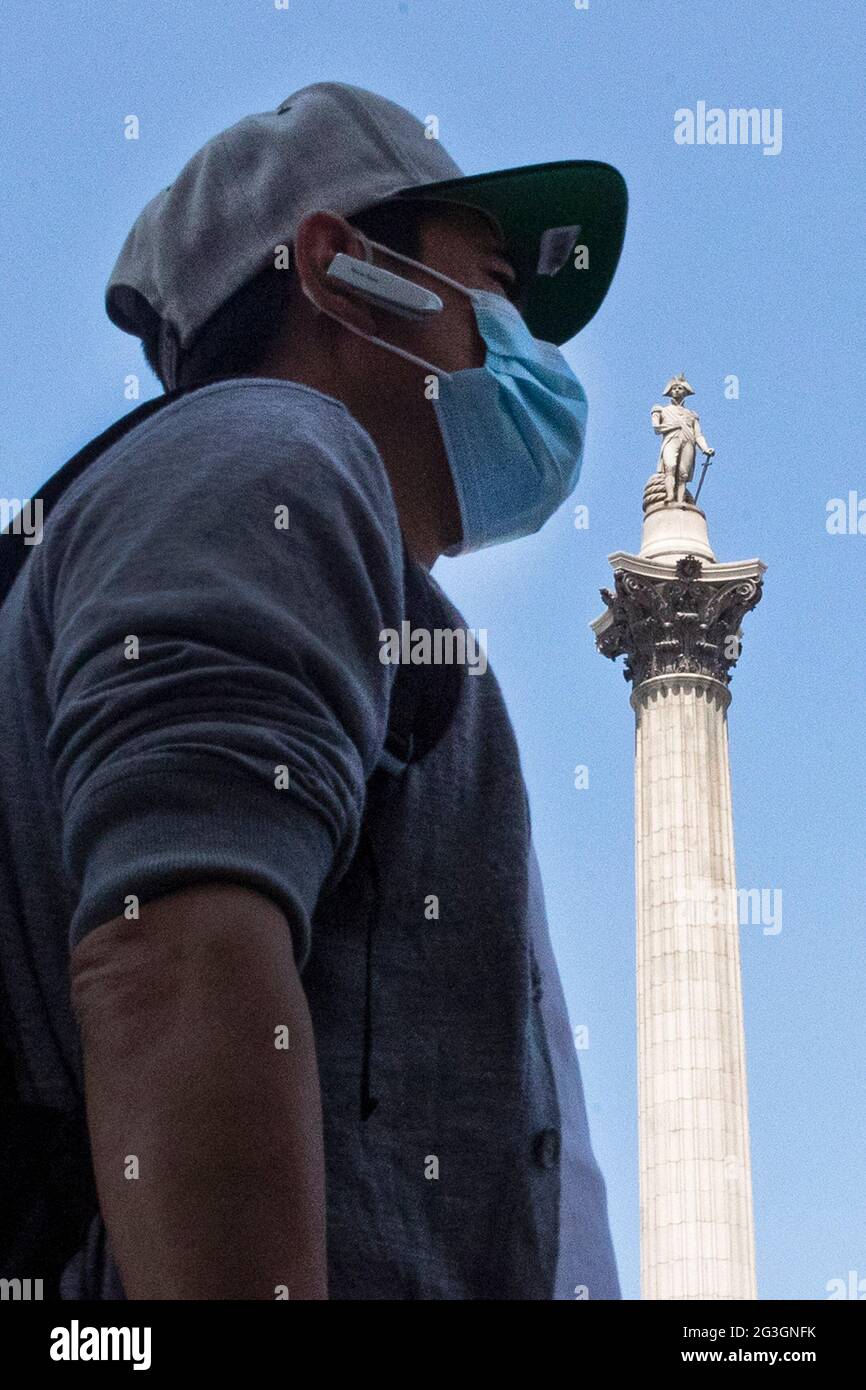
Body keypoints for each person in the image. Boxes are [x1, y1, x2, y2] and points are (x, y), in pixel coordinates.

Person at [0, 81, 627, 1299]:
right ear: (342, 271)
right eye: (494, 286)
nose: (533, 351)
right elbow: (171, 967)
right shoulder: (277, 458)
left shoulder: (332, 554)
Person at [651, 375, 715, 504]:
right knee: (670, 466)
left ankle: (680, 501)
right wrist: (673, 425)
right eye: (674, 388)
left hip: (688, 441)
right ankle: (669, 495)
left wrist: (705, 448)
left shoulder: (692, 414)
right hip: (671, 439)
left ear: (685, 392)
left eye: (679, 388)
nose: (676, 390)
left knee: (683, 473)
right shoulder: (662, 410)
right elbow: (656, 428)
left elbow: (698, 435)